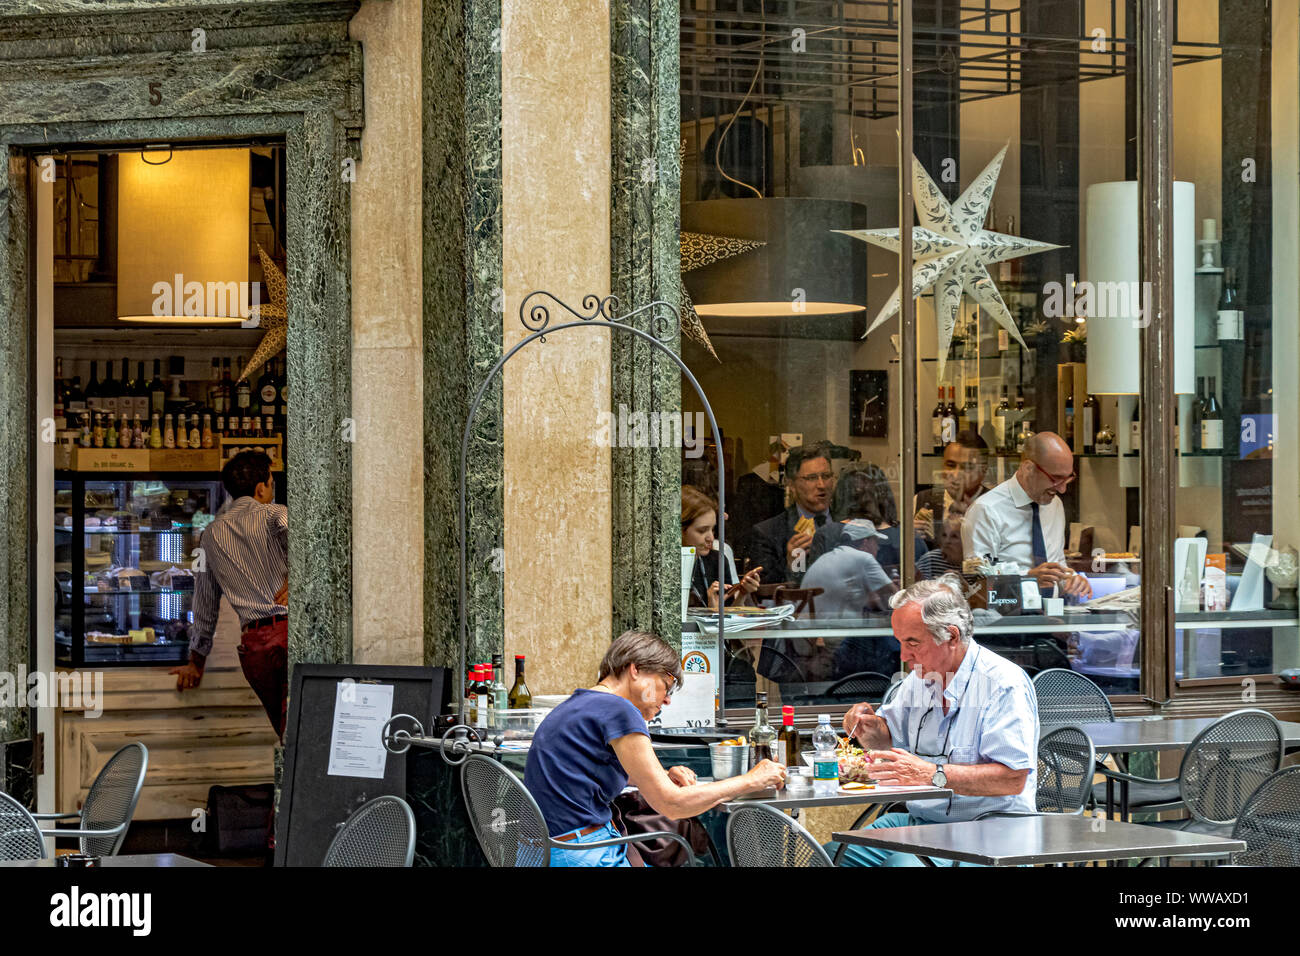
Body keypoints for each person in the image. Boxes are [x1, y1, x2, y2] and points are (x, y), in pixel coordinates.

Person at [824, 575, 1039, 866]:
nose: (903, 655)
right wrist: (868, 728)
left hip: (992, 831)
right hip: (924, 821)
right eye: (899, 642)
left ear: (951, 636)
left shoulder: (1001, 684)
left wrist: (931, 774)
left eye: (912, 642)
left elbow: (1013, 778)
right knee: (827, 856)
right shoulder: (919, 678)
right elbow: (887, 740)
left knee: (900, 866)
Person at [524, 630, 786, 866]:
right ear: (635, 669)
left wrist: (660, 775)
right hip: (584, 852)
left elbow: (580, 775)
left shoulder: (576, 705)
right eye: (666, 684)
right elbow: (672, 805)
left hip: (540, 852)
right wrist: (753, 779)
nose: (668, 699)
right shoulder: (620, 709)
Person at [170, 451, 289, 737]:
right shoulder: (276, 513)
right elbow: (314, 543)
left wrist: (195, 662)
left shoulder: (210, 535)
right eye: (271, 484)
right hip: (289, 636)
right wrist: (299, 577)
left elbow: (204, 605)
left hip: (254, 648)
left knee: (289, 736)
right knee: (308, 732)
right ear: (261, 488)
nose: (271, 491)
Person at [961, 431, 1093, 599]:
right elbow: (977, 578)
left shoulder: (1055, 505)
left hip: (1051, 618)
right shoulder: (986, 510)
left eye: (1068, 479)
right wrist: (1026, 578)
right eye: (1055, 479)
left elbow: (1057, 563)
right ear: (1028, 468)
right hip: (1003, 619)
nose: (1062, 489)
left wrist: (1071, 579)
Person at [808, 463, 928, 582]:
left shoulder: (827, 535)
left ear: (841, 496)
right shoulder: (909, 537)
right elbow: (926, 590)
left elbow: (813, 588)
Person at [745, 440, 836, 586]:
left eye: (826, 476)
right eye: (812, 478)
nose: (822, 485)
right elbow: (761, 590)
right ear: (791, 485)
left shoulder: (848, 522)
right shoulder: (768, 533)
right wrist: (789, 565)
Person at [681, 485, 761, 608]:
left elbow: (729, 614)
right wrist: (711, 612)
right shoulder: (665, 566)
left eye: (712, 529)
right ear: (680, 531)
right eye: (702, 531)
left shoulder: (717, 560)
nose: (711, 538)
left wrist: (742, 593)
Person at [914, 430, 991, 545]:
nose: (956, 475)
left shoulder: (994, 506)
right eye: (950, 465)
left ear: (983, 471)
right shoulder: (921, 500)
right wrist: (910, 538)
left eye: (967, 467)